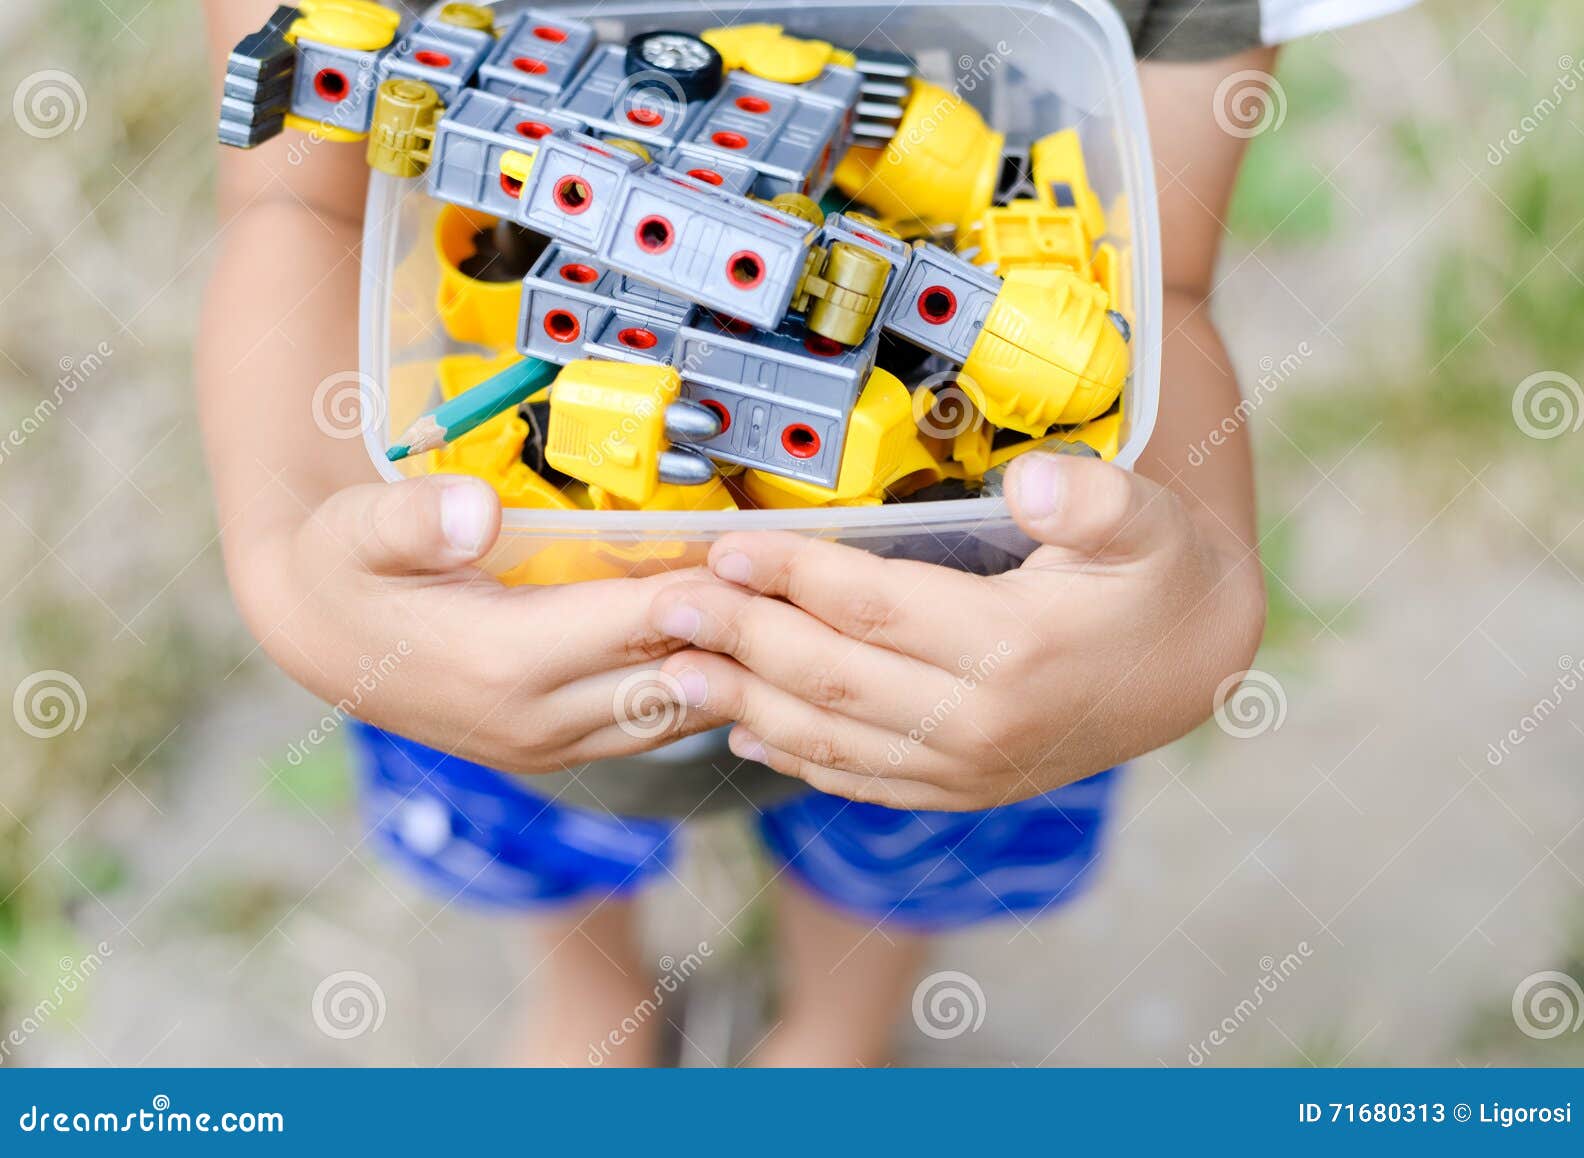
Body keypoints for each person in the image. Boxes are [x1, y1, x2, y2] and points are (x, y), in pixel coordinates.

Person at [198, 0, 1411, 1065]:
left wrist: (1197, 611)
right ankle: (594, 997)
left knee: (913, 808)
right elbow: (298, 193)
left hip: (942, 607)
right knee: (535, 784)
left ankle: (835, 1033)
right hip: (528, 563)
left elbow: (1159, 288)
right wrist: (284, 563)